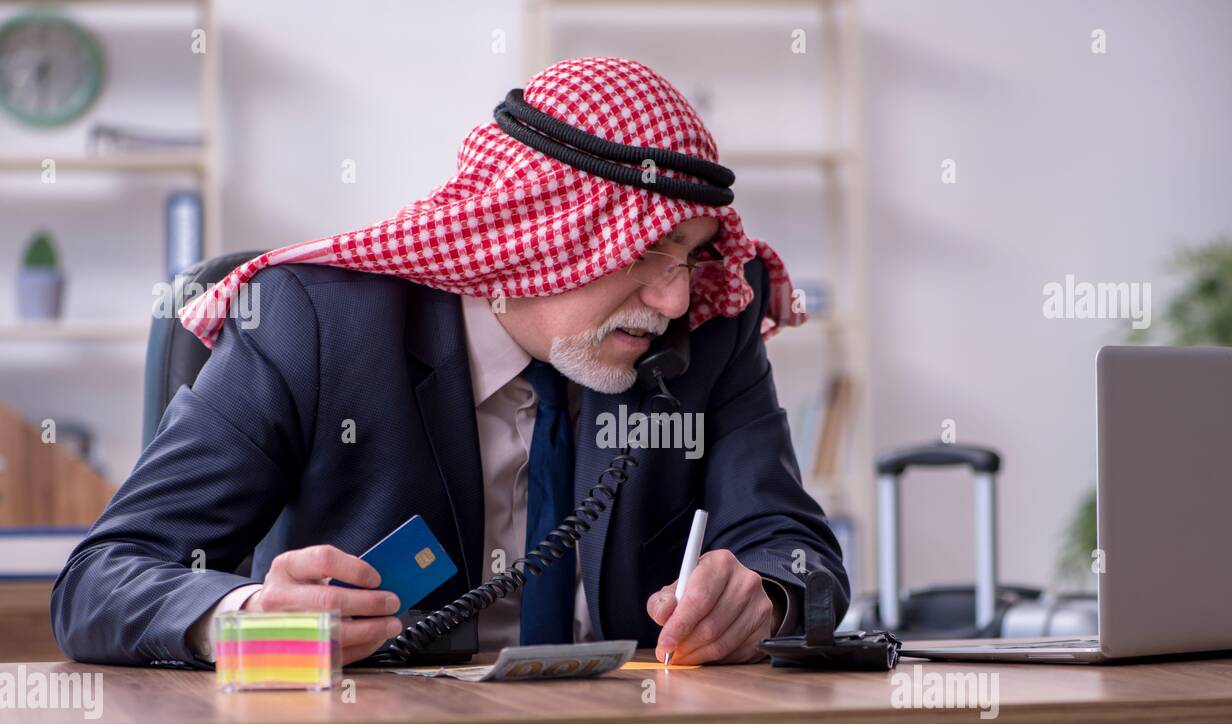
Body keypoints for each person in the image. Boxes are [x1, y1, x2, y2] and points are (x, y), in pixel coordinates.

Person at [51, 57, 849, 668]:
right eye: (648, 253)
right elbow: (99, 580)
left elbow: (798, 548)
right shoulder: (315, 323)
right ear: (539, 234)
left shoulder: (708, 331)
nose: (677, 300)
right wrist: (249, 616)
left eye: (692, 257)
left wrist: (767, 596)